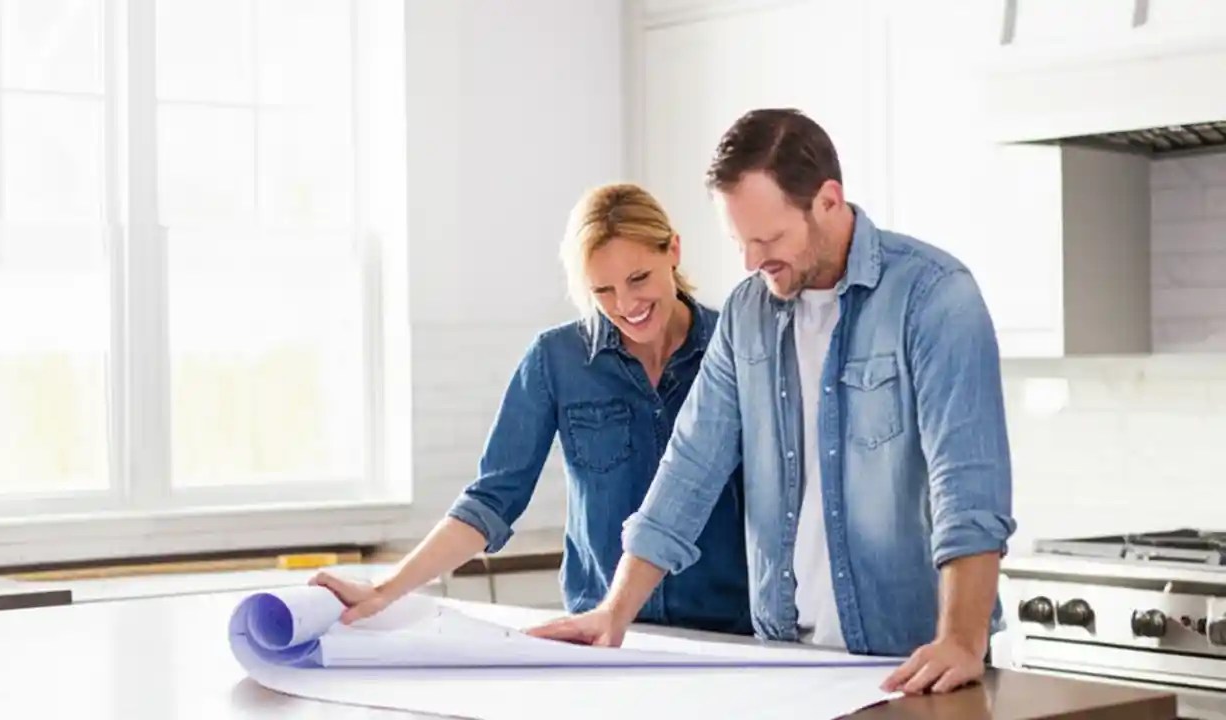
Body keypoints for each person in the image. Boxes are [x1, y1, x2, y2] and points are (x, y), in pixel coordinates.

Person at [528, 109, 1017, 695]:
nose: (752, 262)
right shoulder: (747, 315)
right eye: (740, 242)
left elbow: (968, 486)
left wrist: (961, 640)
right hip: (788, 664)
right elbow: (691, 466)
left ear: (829, 202)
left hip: (913, 665)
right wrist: (615, 610)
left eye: (769, 239)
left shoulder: (934, 297)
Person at [311, 183, 753, 635]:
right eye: (602, 289)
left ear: (673, 249)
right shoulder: (556, 360)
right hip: (599, 633)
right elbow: (490, 500)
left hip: (726, 633)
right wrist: (384, 589)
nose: (626, 305)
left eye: (638, 278)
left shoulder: (735, 348)